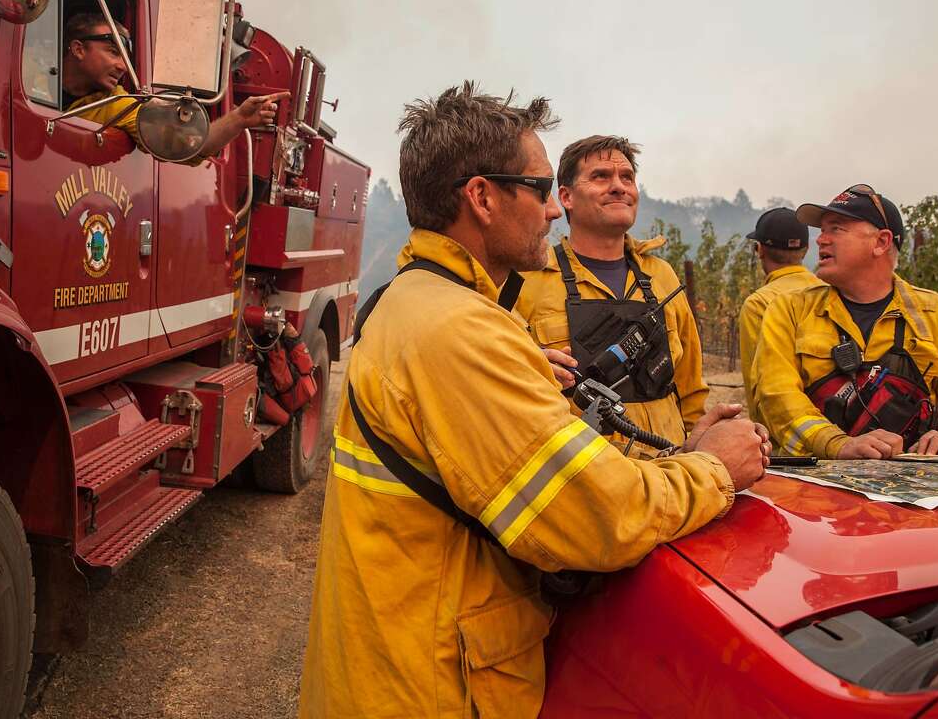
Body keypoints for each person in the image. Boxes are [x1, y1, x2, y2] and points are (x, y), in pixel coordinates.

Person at [299, 84, 768, 718]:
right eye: (542, 189)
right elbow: (594, 518)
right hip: (434, 685)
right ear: (483, 197)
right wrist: (712, 468)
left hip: (394, 659)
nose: (552, 211)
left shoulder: (421, 298)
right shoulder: (463, 332)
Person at [753, 184, 938, 460]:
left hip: (912, 489)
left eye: (836, 229)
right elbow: (777, 396)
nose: (821, 240)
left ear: (881, 242)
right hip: (813, 488)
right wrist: (836, 444)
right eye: (822, 231)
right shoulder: (789, 311)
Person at [515, 135, 710, 459]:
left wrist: (700, 452)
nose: (619, 187)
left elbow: (690, 390)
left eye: (627, 178)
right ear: (566, 197)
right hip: (583, 479)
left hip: (673, 475)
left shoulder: (662, 277)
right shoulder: (529, 279)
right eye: (601, 176)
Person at [61, 12, 280, 157]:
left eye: (125, 58)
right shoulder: (30, 76)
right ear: (79, 49)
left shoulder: (116, 104)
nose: (123, 67)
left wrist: (238, 119)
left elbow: (186, 143)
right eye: (113, 52)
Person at [738, 207, 822, 421]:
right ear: (806, 249)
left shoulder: (759, 304)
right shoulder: (828, 293)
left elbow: (758, 384)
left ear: (760, 250)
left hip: (787, 440)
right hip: (835, 432)